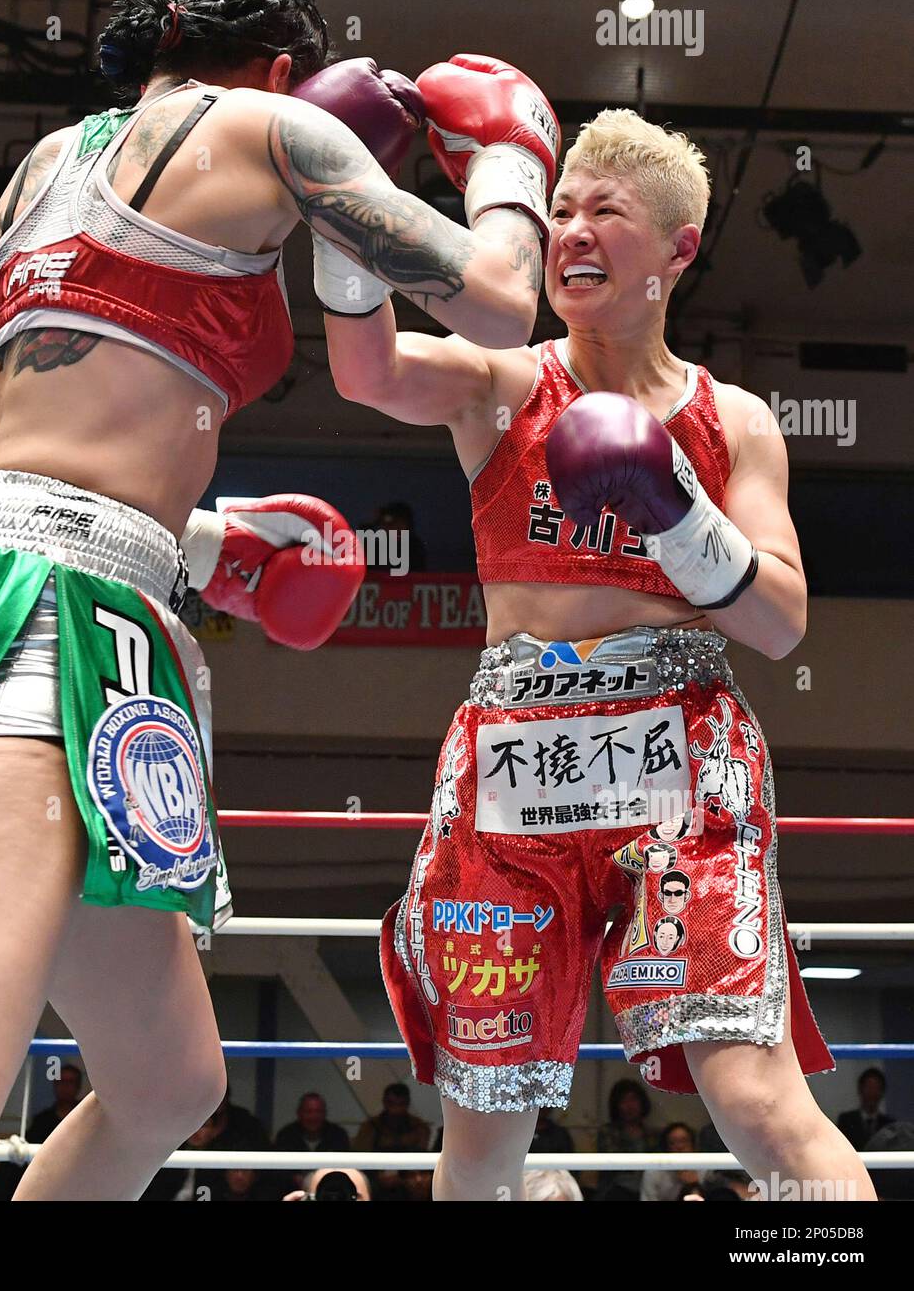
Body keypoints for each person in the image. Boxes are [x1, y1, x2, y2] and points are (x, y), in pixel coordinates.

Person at [0, 0, 550, 1201]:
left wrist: (204, 547)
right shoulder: (269, 127)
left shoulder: (41, 170)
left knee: (167, 1084)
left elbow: (51, 435)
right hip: (36, 630)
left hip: (52, 597)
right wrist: (514, 159)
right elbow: (495, 299)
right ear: (278, 69)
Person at [328, 103, 875, 1200]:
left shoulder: (737, 420)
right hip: (510, 765)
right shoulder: (506, 384)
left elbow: (778, 622)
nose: (572, 231)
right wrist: (344, 206)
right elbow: (368, 372)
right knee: (483, 1134)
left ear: (676, 249)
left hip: (680, 767)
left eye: (606, 213)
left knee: (757, 1102)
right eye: (562, 208)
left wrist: (671, 506)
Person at [0, 1064, 84, 1200]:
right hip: (45, 1172)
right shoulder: (42, 1120)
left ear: (78, 1086)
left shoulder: (87, 1118)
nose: (65, 1087)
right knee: (13, 1162)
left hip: (77, 1170)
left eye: (70, 1082)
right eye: (61, 1082)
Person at [595, 1080, 656, 1202]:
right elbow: (614, 1165)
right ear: (616, 1105)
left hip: (646, 1190)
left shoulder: (651, 1134)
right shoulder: (608, 1132)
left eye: (633, 1099)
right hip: (614, 1192)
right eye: (624, 1101)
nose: (629, 1106)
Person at [640, 1120, 700, 1201]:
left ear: (693, 1145)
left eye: (684, 1141)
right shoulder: (654, 1172)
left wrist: (694, 1185)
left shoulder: (703, 1167)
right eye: (673, 1142)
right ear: (666, 1147)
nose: (680, 1146)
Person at [837, 1067, 895, 1150]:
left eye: (876, 1088)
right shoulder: (846, 1121)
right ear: (860, 1089)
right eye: (869, 1087)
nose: (872, 1093)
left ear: (882, 1092)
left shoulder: (889, 1125)